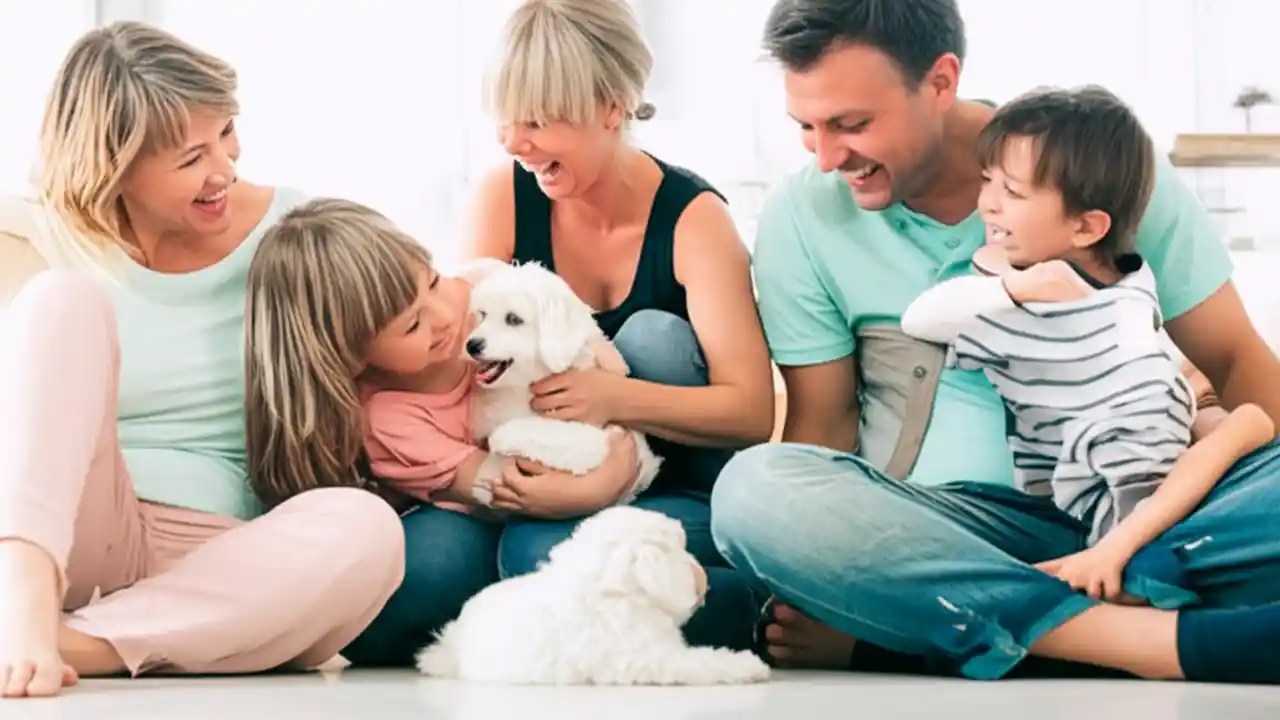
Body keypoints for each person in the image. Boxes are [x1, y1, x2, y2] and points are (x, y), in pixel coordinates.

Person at [710, 0, 1280, 684]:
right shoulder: (803, 216)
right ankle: (1140, 637)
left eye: (852, 125)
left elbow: (1236, 360)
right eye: (806, 127)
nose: (828, 157)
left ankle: (973, 635)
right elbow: (821, 427)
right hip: (959, 537)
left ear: (942, 82)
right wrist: (828, 570)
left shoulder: (1095, 164)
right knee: (754, 491)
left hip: (1154, 514)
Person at [0, 22, 404, 699]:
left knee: (366, 530)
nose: (224, 168)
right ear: (117, 164)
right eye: (190, 158)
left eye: (226, 133)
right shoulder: (48, 238)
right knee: (61, 301)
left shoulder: (301, 231)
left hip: (216, 553)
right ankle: (25, 599)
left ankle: (74, 641)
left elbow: (423, 317)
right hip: (73, 522)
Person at [464, 0, 775, 652]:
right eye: (505, 122)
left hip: (674, 489)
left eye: (539, 122)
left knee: (652, 339)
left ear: (613, 107)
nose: (517, 143)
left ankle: (753, 604)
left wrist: (612, 408)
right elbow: (458, 364)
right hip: (534, 467)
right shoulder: (503, 195)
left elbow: (749, 412)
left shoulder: (695, 221)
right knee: (421, 578)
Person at [900, 86, 1275, 600]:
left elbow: (1218, 424)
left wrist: (1113, 551)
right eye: (988, 181)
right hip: (1086, 516)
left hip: (1148, 519)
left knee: (1169, 553)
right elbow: (921, 319)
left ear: (1086, 226)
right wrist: (1017, 285)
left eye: (1011, 192)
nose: (986, 203)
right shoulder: (1026, 287)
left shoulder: (1121, 315)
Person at [242, 199, 641, 667]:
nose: (445, 314)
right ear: (353, 356)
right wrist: (603, 484)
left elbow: (582, 347)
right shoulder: (387, 420)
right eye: (413, 324)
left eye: (432, 280)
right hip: (509, 509)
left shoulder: (480, 289)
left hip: (599, 448)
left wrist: (621, 413)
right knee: (520, 551)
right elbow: (518, 485)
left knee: (653, 339)